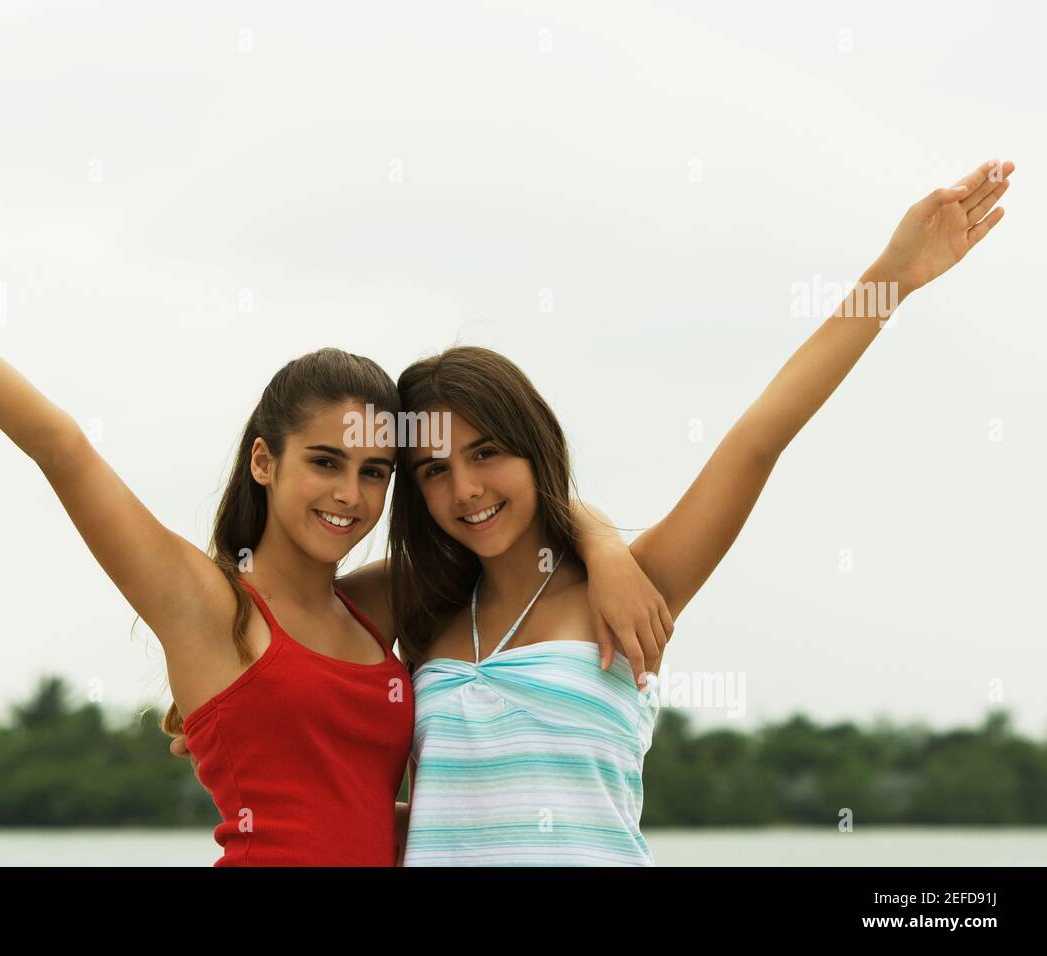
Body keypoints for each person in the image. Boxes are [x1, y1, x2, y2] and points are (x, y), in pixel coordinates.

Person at [0, 189, 669, 865]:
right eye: (325, 462)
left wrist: (603, 545)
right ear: (264, 462)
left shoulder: (383, 604)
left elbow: (499, 522)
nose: (351, 498)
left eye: (375, 473)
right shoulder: (208, 608)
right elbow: (57, 446)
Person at [388, 158, 1014, 865]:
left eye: (487, 452)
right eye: (434, 471)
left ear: (534, 449)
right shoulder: (417, 608)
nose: (466, 488)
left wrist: (889, 281)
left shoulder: (633, 586)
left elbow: (757, 440)